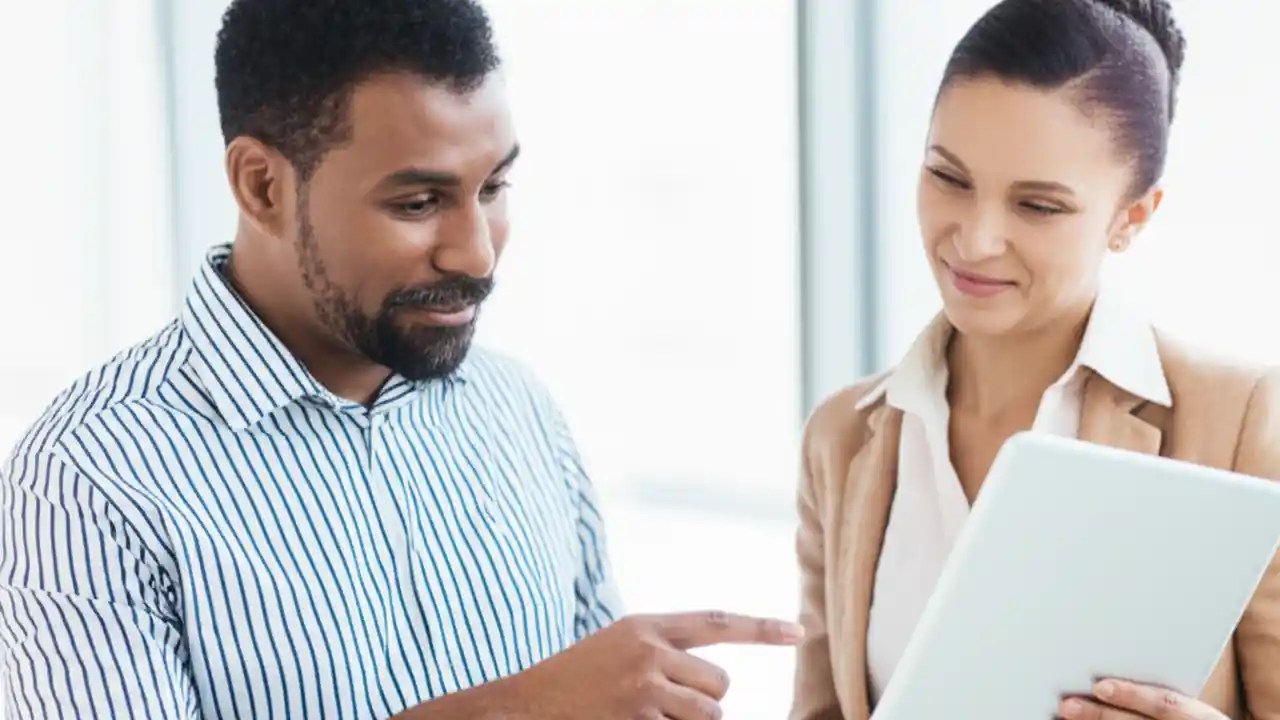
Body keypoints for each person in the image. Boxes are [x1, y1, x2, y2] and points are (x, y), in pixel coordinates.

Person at [0, 1, 802, 718]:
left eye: (493, 188)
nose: (478, 256)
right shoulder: (86, 479)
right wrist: (515, 710)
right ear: (262, 186)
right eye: (418, 204)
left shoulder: (515, 409)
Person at [789, 1, 1280, 719]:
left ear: (1131, 218)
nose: (976, 238)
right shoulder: (842, 437)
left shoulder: (1240, 424)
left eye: (1038, 207)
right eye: (948, 178)